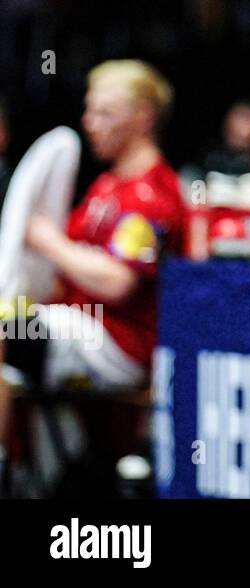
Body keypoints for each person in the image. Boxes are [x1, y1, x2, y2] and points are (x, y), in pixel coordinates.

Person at [0, 60, 184, 487]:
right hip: (73, 325)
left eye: (104, 112)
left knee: (8, 333)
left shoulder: (154, 194)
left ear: (142, 117)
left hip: (119, 345)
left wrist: (46, 240)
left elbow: (119, 282)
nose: (89, 123)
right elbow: (66, 265)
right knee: (13, 329)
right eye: (89, 111)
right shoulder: (105, 187)